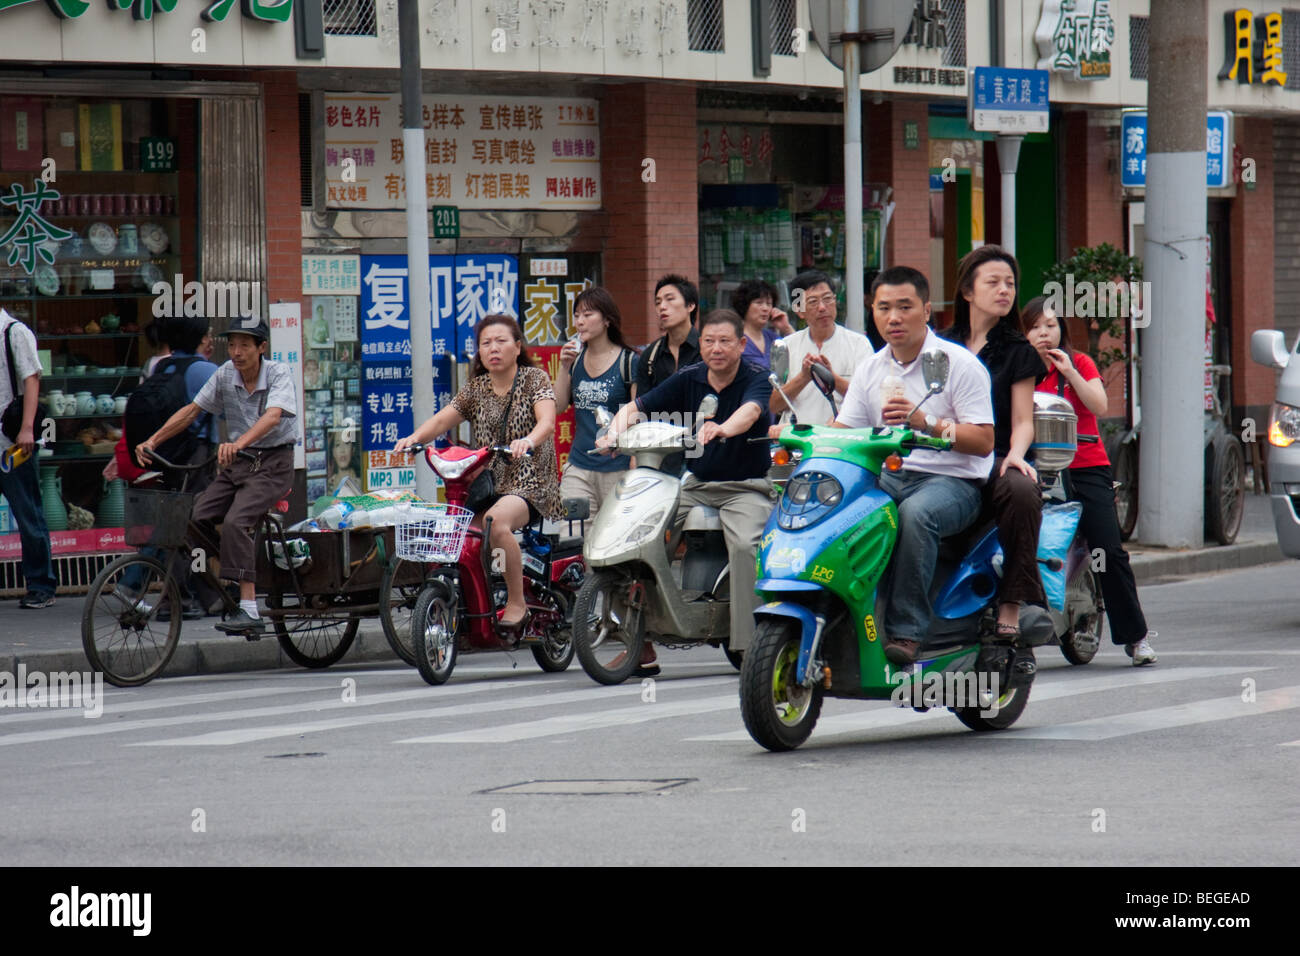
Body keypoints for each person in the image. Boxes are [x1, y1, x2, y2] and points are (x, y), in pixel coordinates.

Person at [598, 308, 775, 675]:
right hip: (695, 485)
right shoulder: (690, 378)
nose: (716, 348)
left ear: (742, 344)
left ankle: (750, 648)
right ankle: (639, 645)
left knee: (745, 547)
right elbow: (636, 406)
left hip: (746, 488)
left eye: (725, 341)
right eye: (709, 341)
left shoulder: (757, 378)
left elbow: (752, 411)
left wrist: (724, 428)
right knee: (638, 535)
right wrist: (614, 433)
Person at [835, 267, 995, 664]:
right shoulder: (871, 370)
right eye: (884, 307)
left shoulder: (957, 364)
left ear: (926, 310)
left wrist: (929, 424)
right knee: (845, 511)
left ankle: (907, 631)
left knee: (915, 515)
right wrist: (796, 435)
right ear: (872, 312)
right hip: (890, 475)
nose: (894, 318)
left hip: (953, 482)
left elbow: (984, 440)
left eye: (904, 307)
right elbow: (842, 430)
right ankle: (844, 617)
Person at [395, 314, 563, 633]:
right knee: (459, 536)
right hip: (488, 485)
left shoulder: (534, 379)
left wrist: (527, 441)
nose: (493, 348)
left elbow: (547, 423)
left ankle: (517, 603)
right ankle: (472, 605)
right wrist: (415, 439)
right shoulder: (476, 388)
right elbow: (442, 421)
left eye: (501, 341)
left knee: (494, 524)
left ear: (517, 346)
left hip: (531, 482)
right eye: (485, 343)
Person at [135, 314, 298, 635]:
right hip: (239, 464)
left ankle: (250, 609)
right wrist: (153, 439)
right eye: (232, 344)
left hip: (274, 465)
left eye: (245, 345)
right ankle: (235, 568)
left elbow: (273, 417)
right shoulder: (225, 374)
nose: (236, 352)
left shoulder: (279, 373)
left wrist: (238, 443)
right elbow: (192, 410)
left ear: (261, 347)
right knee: (194, 517)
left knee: (238, 521)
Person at [1022, 296, 1157, 666]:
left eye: (1050, 325)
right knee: (1021, 546)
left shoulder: (1078, 361)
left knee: (1107, 551)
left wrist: (1070, 373)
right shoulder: (1021, 369)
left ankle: (1136, 637)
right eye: (1034, 327)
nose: (1043, 333)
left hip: (1086, 467)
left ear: (1062, 328)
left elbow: (1098, 405)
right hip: (1037, 469)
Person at [939, 245, 1046, 645]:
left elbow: (1023, 420)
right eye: (994, 282)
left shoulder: (1017, 349)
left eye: (1010, 283)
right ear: (967, 291)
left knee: (1020, 488)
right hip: (946, 455)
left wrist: (1016, 456)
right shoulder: (940, 346)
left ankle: (1012, 603)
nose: (1005, 290)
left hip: (997, 454)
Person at [108, 315, 220, 619]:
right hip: (195, 458)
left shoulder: (161, 366)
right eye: (208, 335)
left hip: (165, 456)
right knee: (185, 527)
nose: (212, 339)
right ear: (198, 339)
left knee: (177, 523)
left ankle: (199, 596)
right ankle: (165, 595)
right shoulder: (205, 370)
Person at [554, 287, 635, 522]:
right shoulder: (576, 360)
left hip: (617, 468)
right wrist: (564, 367)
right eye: (577, 315)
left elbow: (639, 412)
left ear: (607, 319)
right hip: (578, 467)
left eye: (588, 315)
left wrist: (634, 460)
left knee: (613, 540)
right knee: (574, 538)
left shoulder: (628, 361)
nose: (580, 321)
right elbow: (558, 406)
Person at [0, 307, 57, 608]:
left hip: (11, 444)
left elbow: (32, 379)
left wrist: (26, 429)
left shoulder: (14, 332)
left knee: (28, 514)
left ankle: (41, 585)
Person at [769, 269, 873, 427]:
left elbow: (869, 400)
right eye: (813, 302)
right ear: (799, 311)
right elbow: (774, 405)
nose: (823, 307)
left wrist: (831, 378)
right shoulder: (787, 346)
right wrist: (803, 377)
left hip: (842, 438)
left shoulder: (859, 344)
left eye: (827, 299)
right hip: (796, 441)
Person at [633, 274, 701, 400]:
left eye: (670, 299)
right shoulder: (650, 356)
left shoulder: (707, 349)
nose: (662, 307)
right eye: (658, 302)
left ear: (690, 305)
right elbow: (642, 408)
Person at [732, 278, 793, 370]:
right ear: (745, 305)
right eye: (759, 303)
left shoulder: (773, 338)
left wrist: (787, 328)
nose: (765, 308)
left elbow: (797, 356)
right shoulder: (734, 339)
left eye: (769, 304)